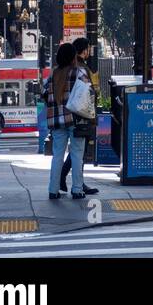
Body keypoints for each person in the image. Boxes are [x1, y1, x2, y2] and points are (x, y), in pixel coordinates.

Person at [44, 43, 92, 199]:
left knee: (57, 155)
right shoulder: (79, 73)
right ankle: (77, 189)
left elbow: (43, 93)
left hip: (56, 121)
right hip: (75, 119)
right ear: (73, 57)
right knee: (77, 154)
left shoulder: (53, 75)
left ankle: (53, 189)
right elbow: (90, 92)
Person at [58, 39, 99, 195]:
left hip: (70, 115)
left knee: (76, 151)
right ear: (84, 50)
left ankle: (66, 181)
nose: (89, 52)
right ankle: (78, 185)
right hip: (81, 114)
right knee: (79, 151)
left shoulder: (70, 68)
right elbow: (89, 93)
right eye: (88, 48)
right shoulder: (81, 68)